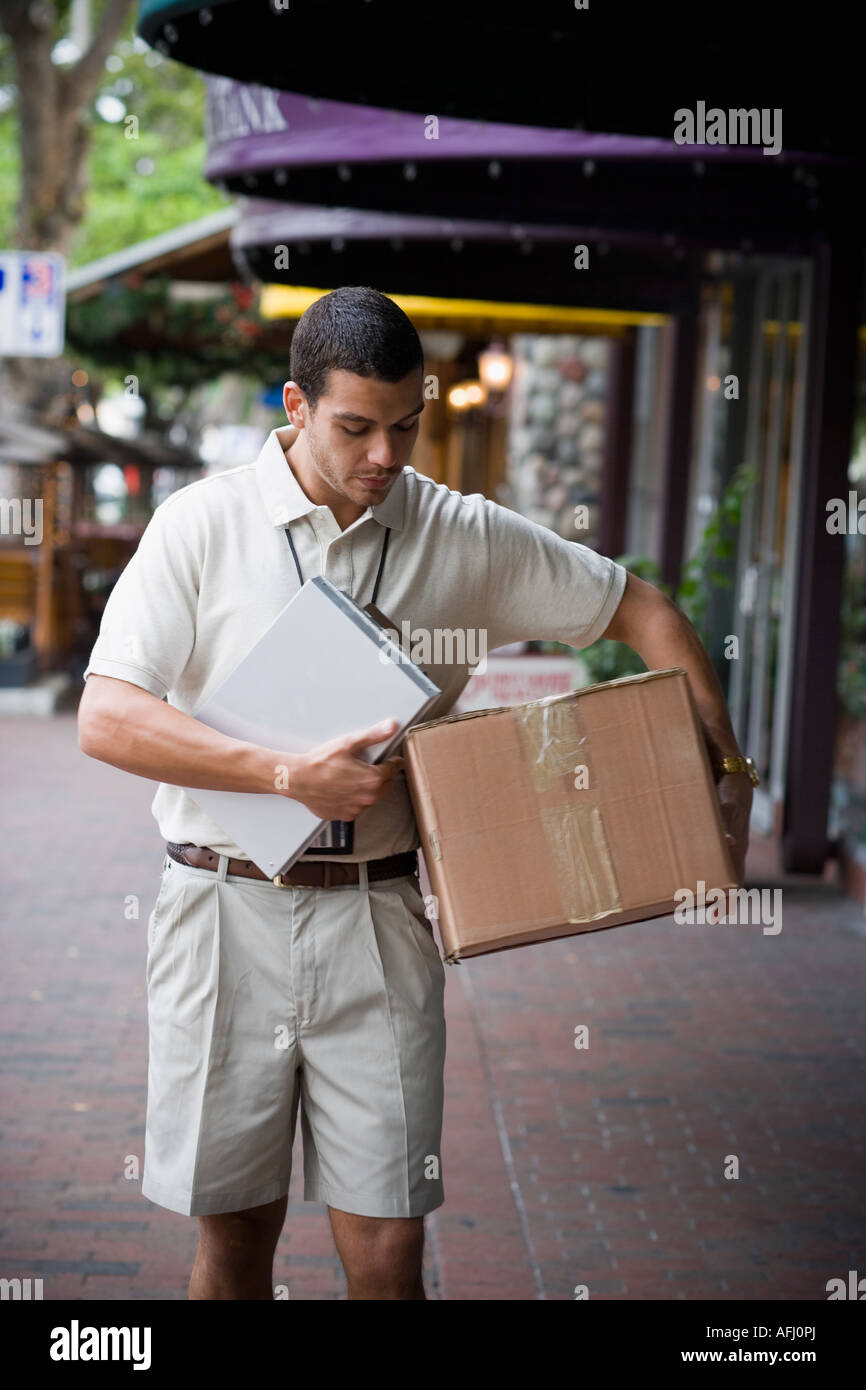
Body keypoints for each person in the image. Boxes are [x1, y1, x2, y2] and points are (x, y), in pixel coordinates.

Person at [77, 285, 753, 1300]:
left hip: (379, 917)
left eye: (405, 427)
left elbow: (643, 610)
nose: (385, 457)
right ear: (295, 407)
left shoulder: (462, 534)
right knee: (235, 1242)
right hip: (222, 913)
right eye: (355, 427)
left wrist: (727, 773)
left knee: (390, 1254)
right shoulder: (199, 525)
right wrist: (283, 774)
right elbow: (106, 717)